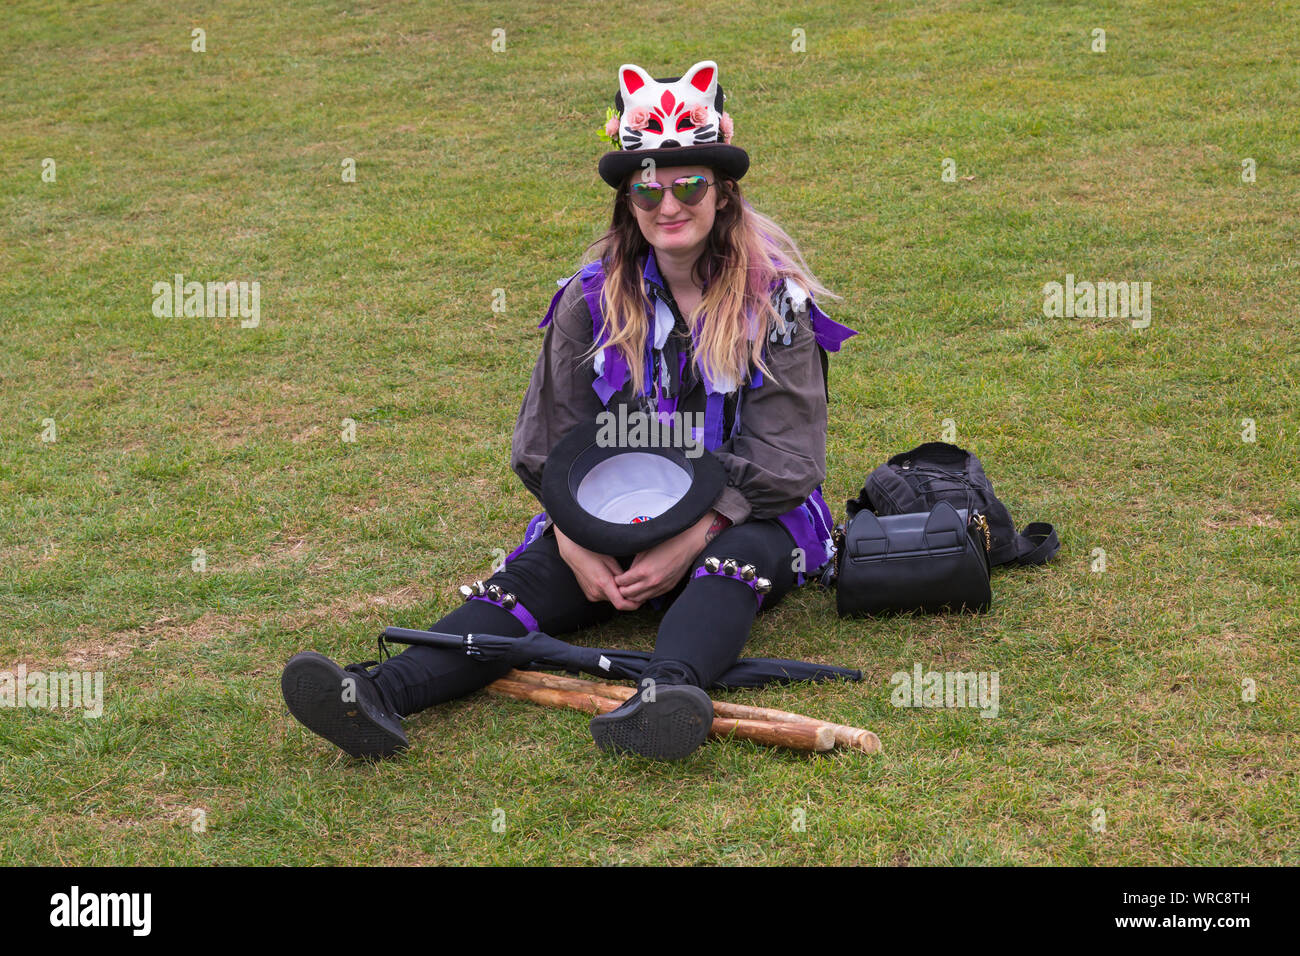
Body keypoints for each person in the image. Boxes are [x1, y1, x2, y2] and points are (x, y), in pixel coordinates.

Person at [281, 59, 856, 762]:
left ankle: (667, 697)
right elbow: (547, 443)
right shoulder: (589, 300)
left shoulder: (778, 305)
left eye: (689, 185)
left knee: (729, 567)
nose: (668, 205)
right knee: (526, 582)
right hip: (610, 507)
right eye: (646, 188)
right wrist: (576, 540)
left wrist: (692, 537)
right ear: (626, 201)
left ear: (723, 193)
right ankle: (377, 692)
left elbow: (786, 459)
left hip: (743, 513)